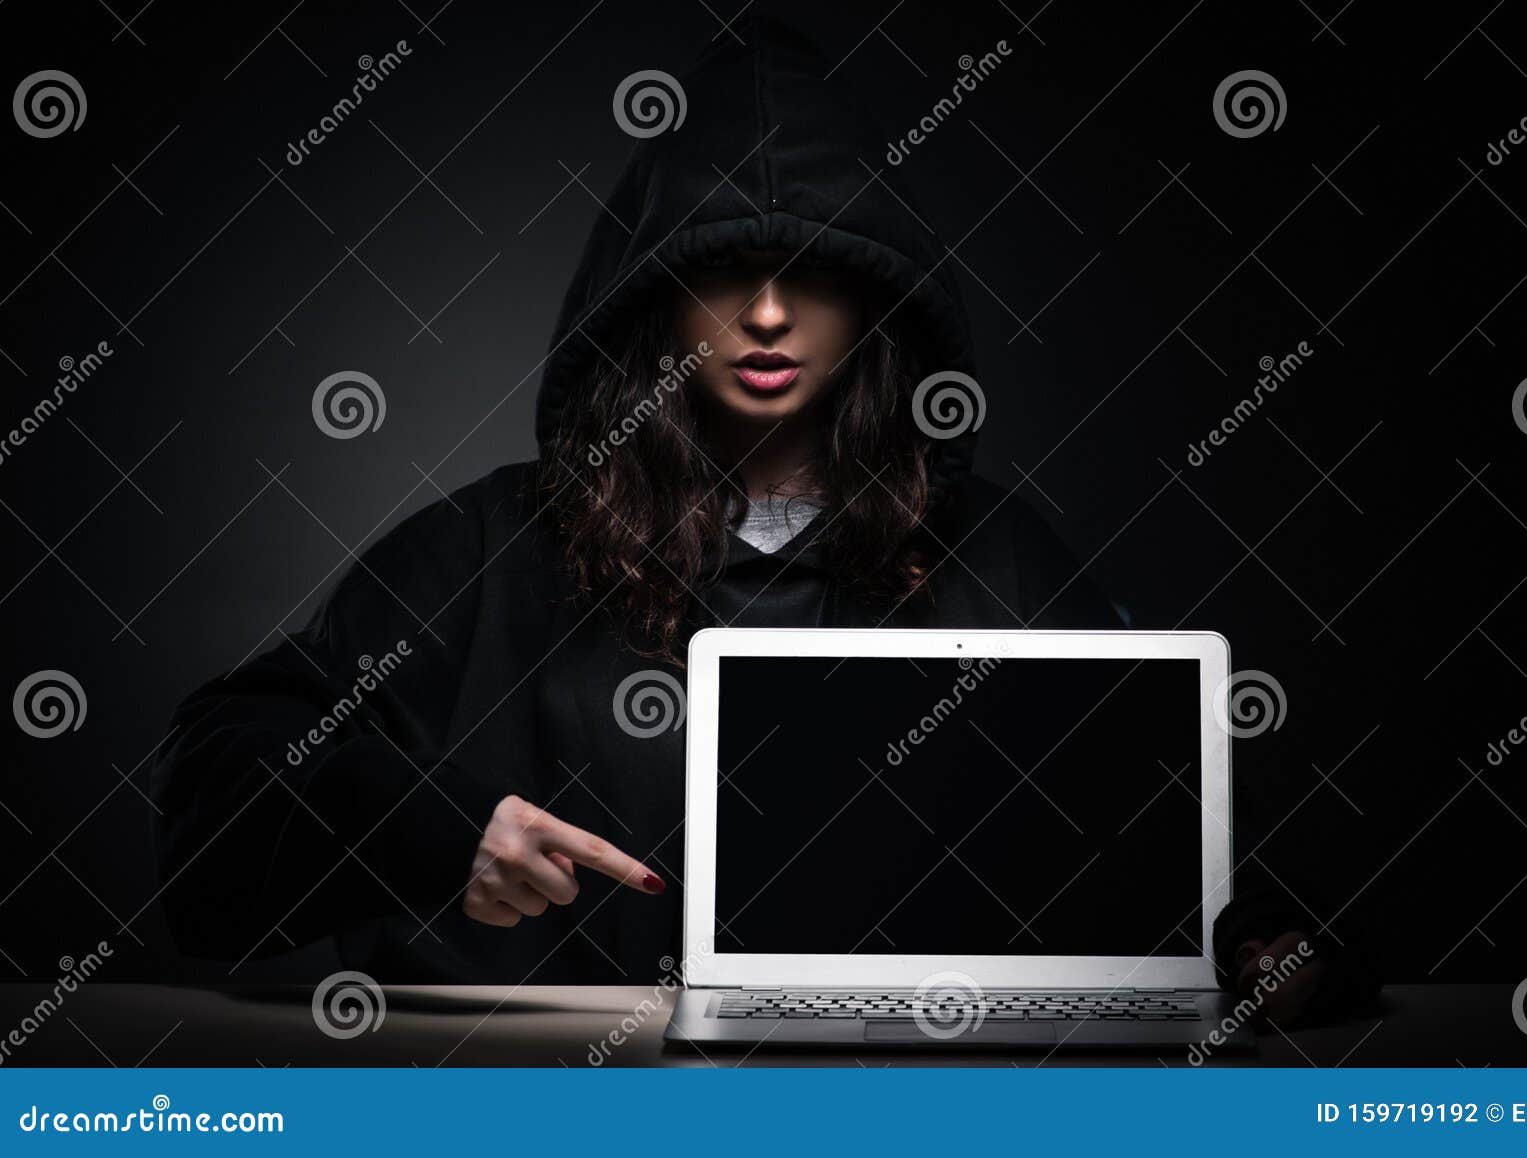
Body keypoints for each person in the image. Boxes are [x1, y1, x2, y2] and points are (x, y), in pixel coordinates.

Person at [154, 17, 1376, 1026]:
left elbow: (1178, 842)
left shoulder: (993, 550)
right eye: (726, 271)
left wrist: (1268, 940)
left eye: (817, 270)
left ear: (878, 297)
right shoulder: (492, 547)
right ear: (653, 300)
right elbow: (219, 789)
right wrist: (434, 833)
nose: (773, 314)